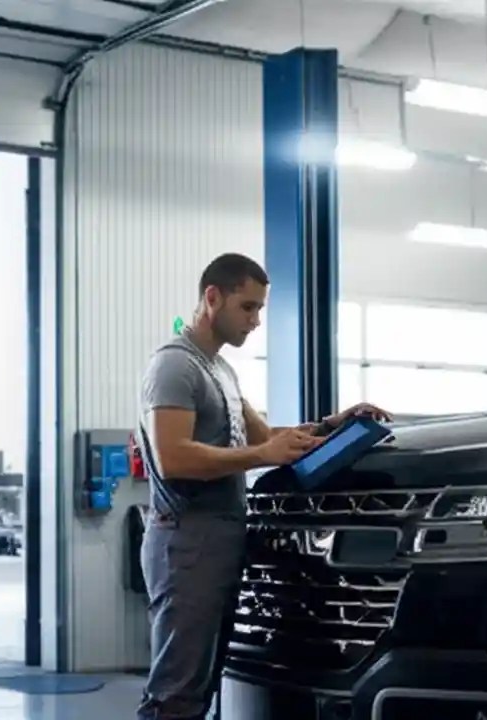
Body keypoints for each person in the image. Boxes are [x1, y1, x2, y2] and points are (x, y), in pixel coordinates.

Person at [134, 252, 390, 720]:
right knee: (176, 689)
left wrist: (334, 424)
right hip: (187, 541)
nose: (254, 321)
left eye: (259, 310)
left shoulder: (221, 371)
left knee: (203, 686)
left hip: (221, 538)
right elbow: (173, 457)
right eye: (247, 307)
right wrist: (258, 458)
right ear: (212, 298)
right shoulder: (175, 367)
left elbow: (267, 437)